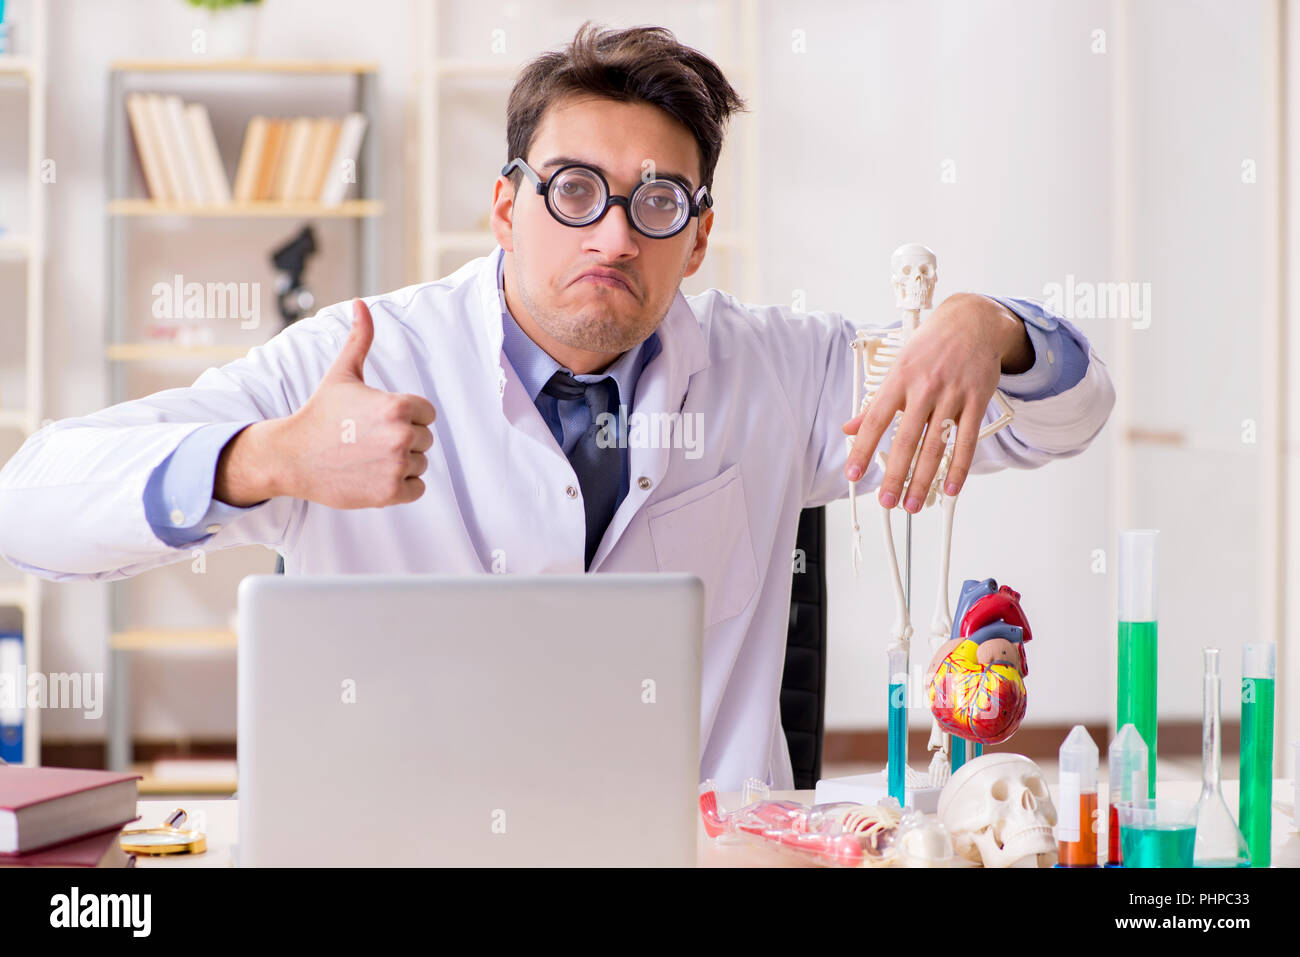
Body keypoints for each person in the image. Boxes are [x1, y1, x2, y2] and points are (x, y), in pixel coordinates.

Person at [0, 23, 1114, 790]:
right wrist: (266, 459)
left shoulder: (780, 370)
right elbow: (29, 508)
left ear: (698, 236)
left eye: (658, 201)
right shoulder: (356, 359)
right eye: (574, 190)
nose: (615, 233)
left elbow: (1060, 415)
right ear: (503, 206)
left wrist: (986, 325)